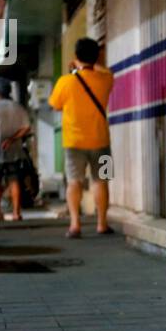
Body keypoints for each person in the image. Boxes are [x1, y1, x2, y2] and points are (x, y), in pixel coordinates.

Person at [49, 37, 114, 238]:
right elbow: (106, 71)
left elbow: (55, 104)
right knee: (102, 181)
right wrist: (92, 63)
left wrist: (75, 68)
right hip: (102, 141)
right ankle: (102, 224)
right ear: (96, 57)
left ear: (76, 57)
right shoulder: (106, 79)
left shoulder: (65, 82)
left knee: (74, 182)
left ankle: (75, 225)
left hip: (73, 143)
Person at [0, 78, 32, 221]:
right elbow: (26, 128)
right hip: (14, 152)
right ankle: (16, 212)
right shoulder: (17, 107)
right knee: (14, 180)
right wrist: (12, 139)